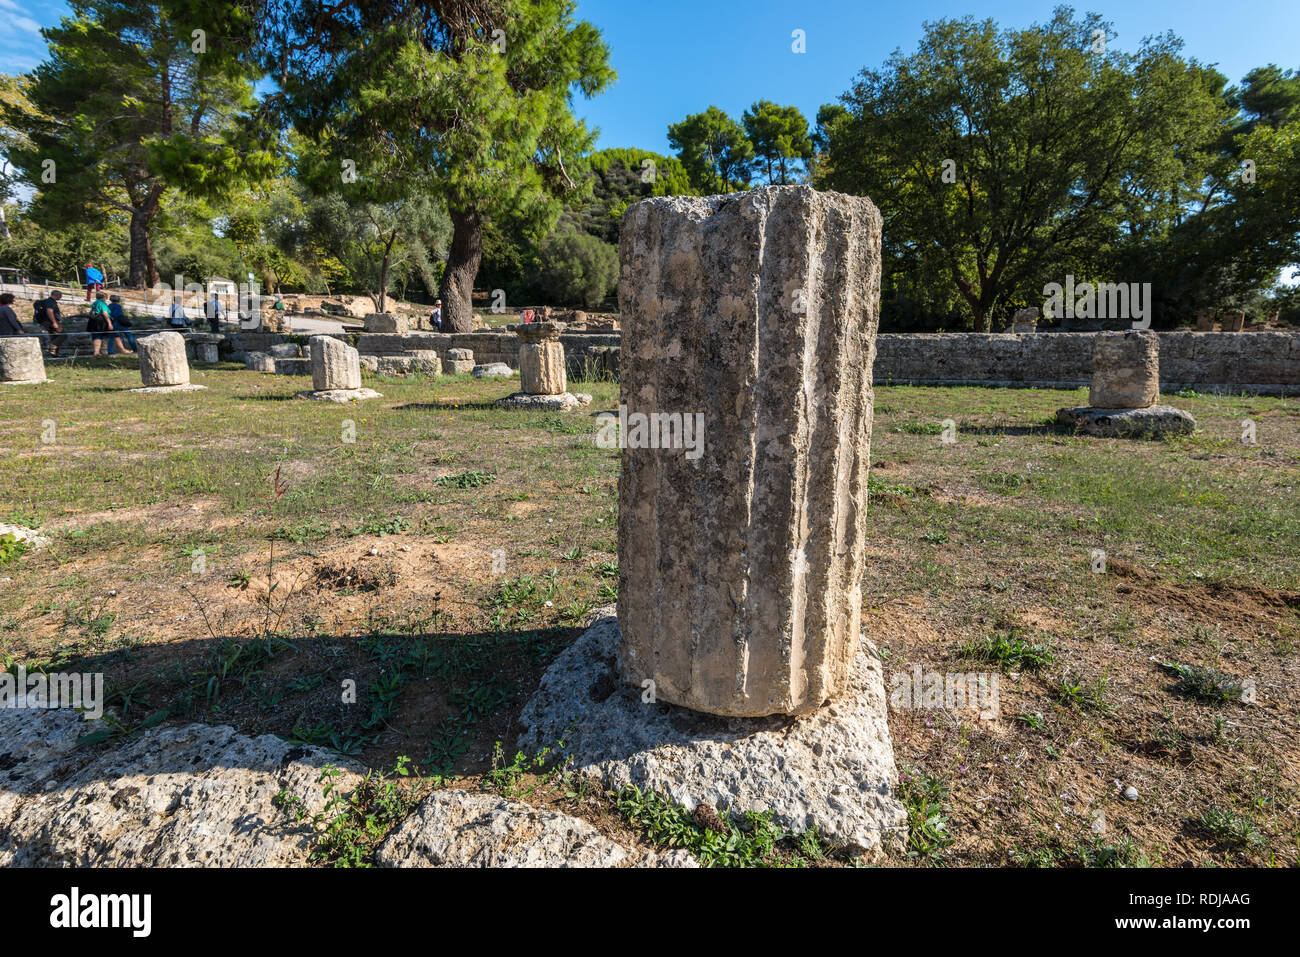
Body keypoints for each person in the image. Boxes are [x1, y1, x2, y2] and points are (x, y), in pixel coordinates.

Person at [33, 289, 67, 356]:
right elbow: (49, 311)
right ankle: (51, 347)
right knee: (63, 335)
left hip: (47, 322)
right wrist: (54, 322)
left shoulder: (47, 301)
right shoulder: (51, 302)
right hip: (51, 323)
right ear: (56, 295)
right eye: (60, 295)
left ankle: (54, 354)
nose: (61, 297)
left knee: (54, 336)